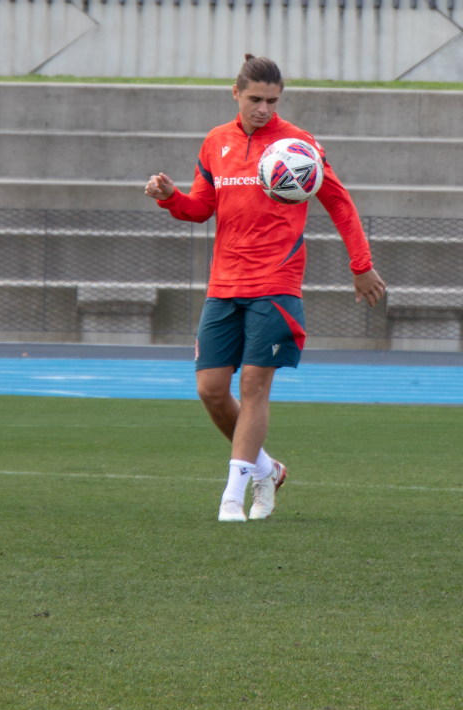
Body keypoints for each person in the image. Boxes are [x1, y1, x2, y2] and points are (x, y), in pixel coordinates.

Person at [145, 55, 386, 523]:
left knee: (254, 385)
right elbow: (201, 208)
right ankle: (267, 469)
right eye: (255, 99)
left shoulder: (298, 144)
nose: (263, 109)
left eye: (272, 101)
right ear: (235, 93)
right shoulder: (216, 142)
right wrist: (170, 197)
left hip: (276, 283)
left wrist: (362, 265)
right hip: (224, 284)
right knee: (211, 390)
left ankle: (233, 497)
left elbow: (338, 201)